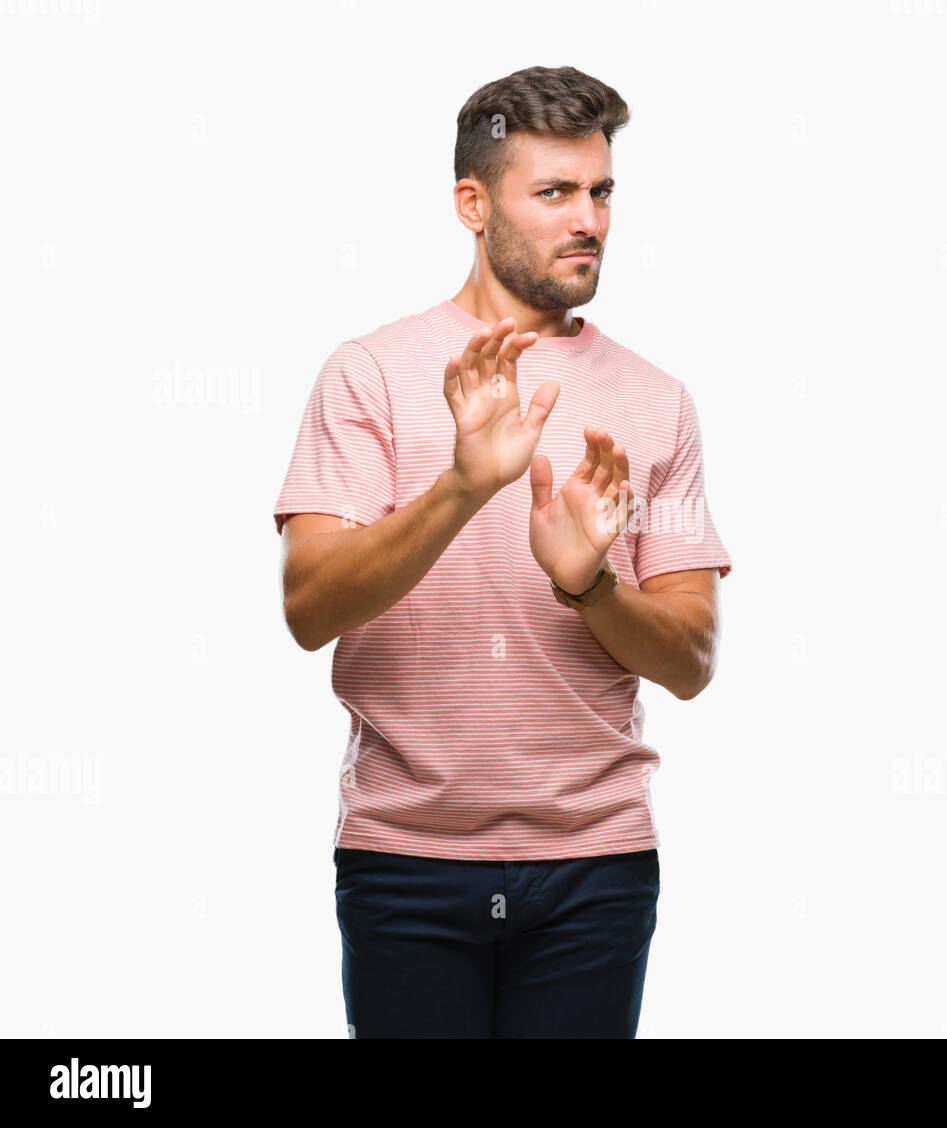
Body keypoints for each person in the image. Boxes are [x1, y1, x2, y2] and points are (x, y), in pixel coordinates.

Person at [272, 65, 733, 1038]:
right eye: (555, 192)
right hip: (405, 860)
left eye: (602, 190)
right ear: (472, 205)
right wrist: (462, 487)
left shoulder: (659, 401)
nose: (591, 221)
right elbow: (309, 611)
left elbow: (691, 663)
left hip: (596, 868)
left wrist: (592, 585)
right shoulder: (371, 373)